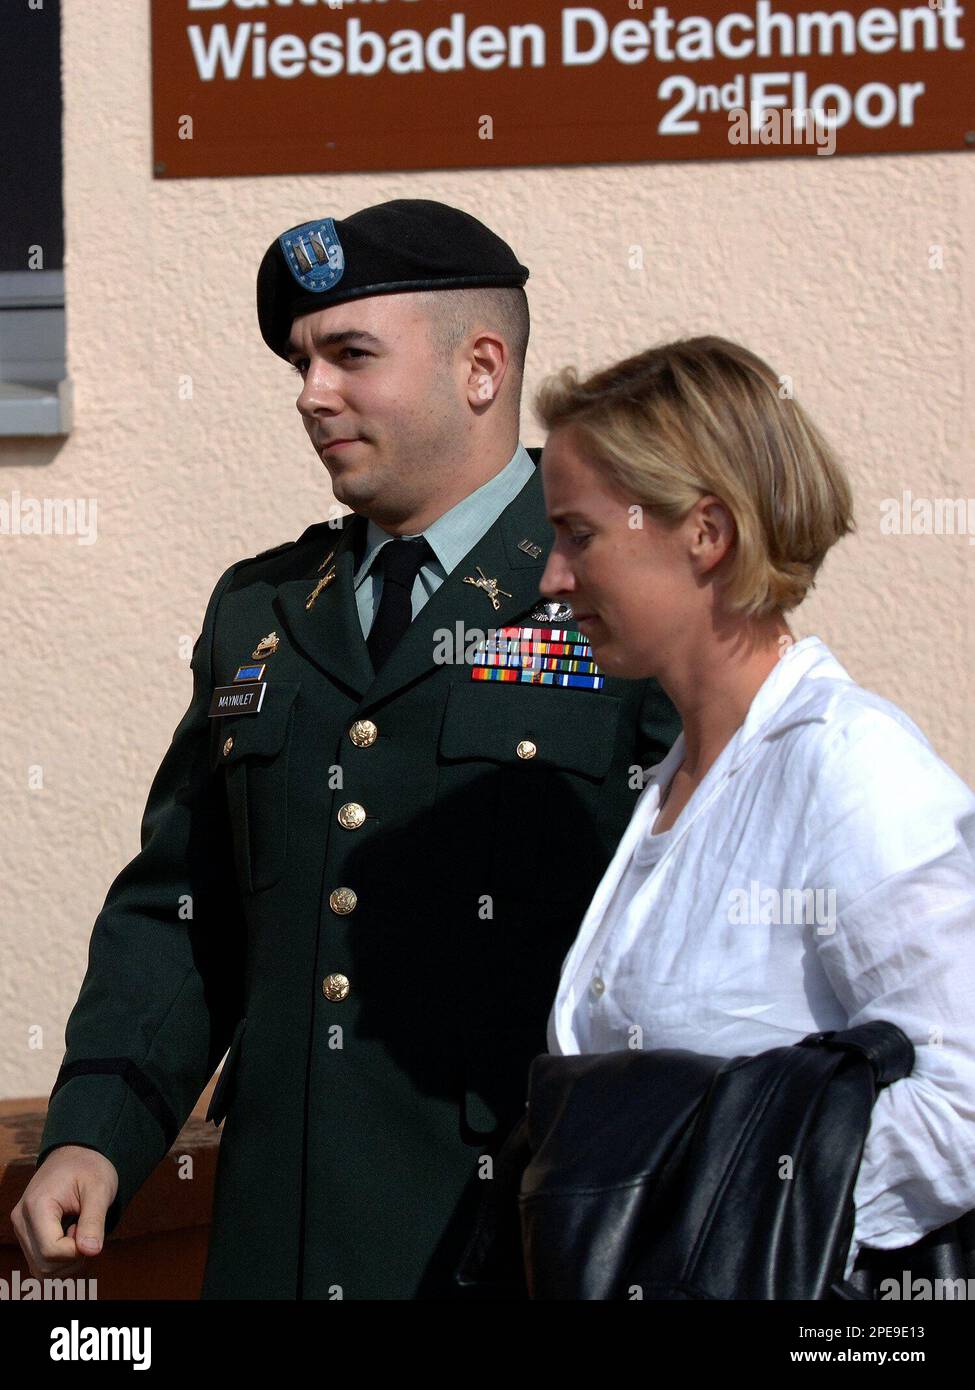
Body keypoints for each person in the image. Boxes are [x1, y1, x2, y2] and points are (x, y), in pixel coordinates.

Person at [11, 199, 680, 1300]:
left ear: (481, 367)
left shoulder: (606, 584)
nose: (311, 393)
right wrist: (97, 1129)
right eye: (302, 361)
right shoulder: (264, 607)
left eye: (349, 355)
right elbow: (184, 912)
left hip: (504, 1239)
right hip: (280, 1235)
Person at [534, 335, 975, 1280]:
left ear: (706, 533)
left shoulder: (847, 766)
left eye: (581, 535)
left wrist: (731, 1237)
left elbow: (966, 1094)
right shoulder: (679, 777)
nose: (553, 579)